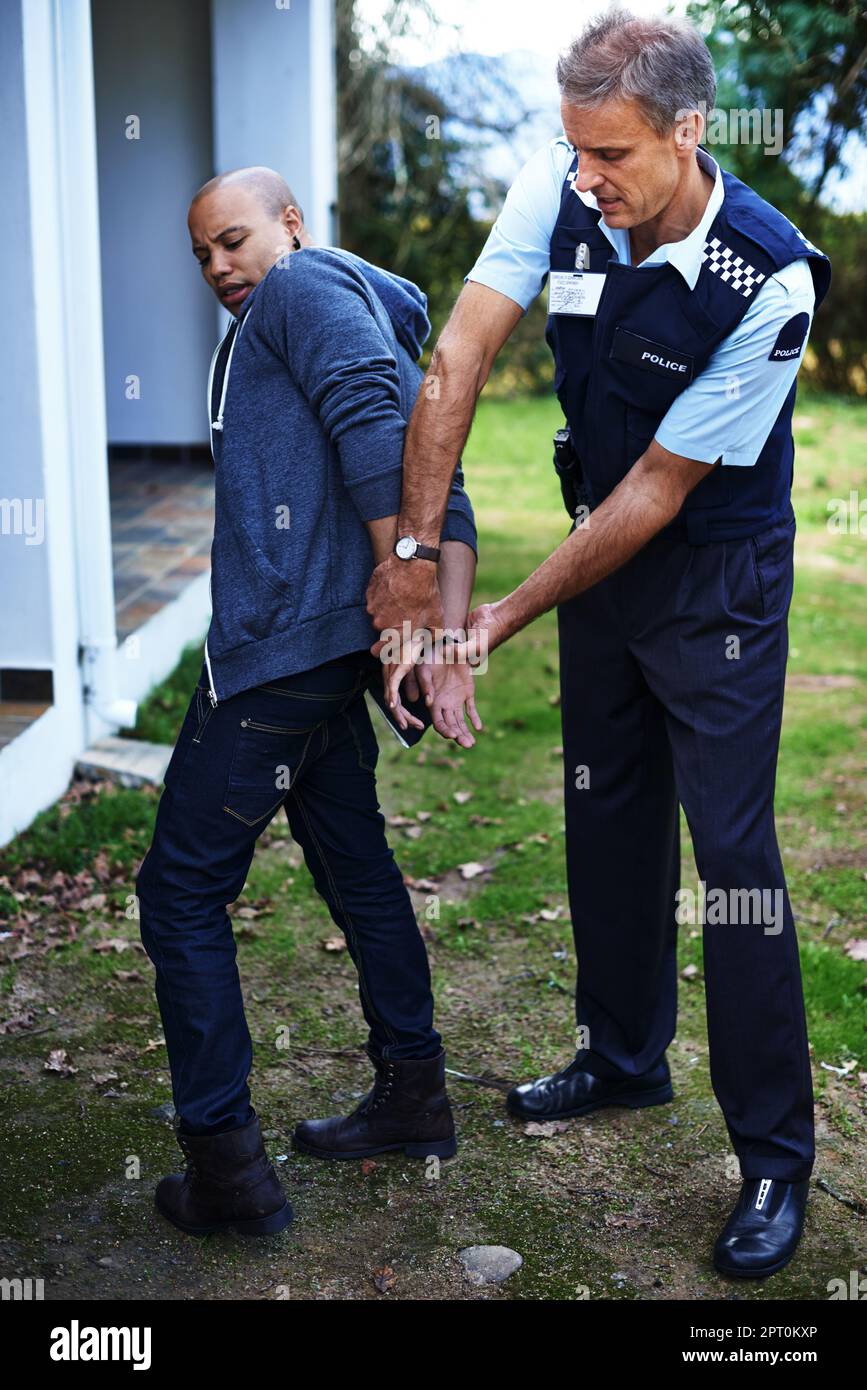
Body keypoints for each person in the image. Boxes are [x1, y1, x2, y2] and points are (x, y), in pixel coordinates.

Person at [367, 12, 830, 1278]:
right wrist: (412, 570)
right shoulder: (559, 183)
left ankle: (775, 1158)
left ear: (690, 134)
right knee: (606, 812)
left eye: (613, 155)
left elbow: (658, 494)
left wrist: (497, 618)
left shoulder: (771, 278)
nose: (589, 180)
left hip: (714, 573)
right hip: (604, 560)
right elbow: (454, 358)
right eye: (574, 151)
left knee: (731, 856)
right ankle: (625, 1058)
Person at [136, 166, 481, 1238]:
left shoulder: (302, 291)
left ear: (290, 223)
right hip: (331, 658)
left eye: (233, 239)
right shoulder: (359, 307)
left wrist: (408, 610)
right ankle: (413, 1094)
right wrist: (432, 629)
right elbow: (443, 480)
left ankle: (228, 1170)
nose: (219, 267)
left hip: (286, 655)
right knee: (355, 860)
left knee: (179, 891)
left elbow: (373, 430)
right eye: (202, 254)